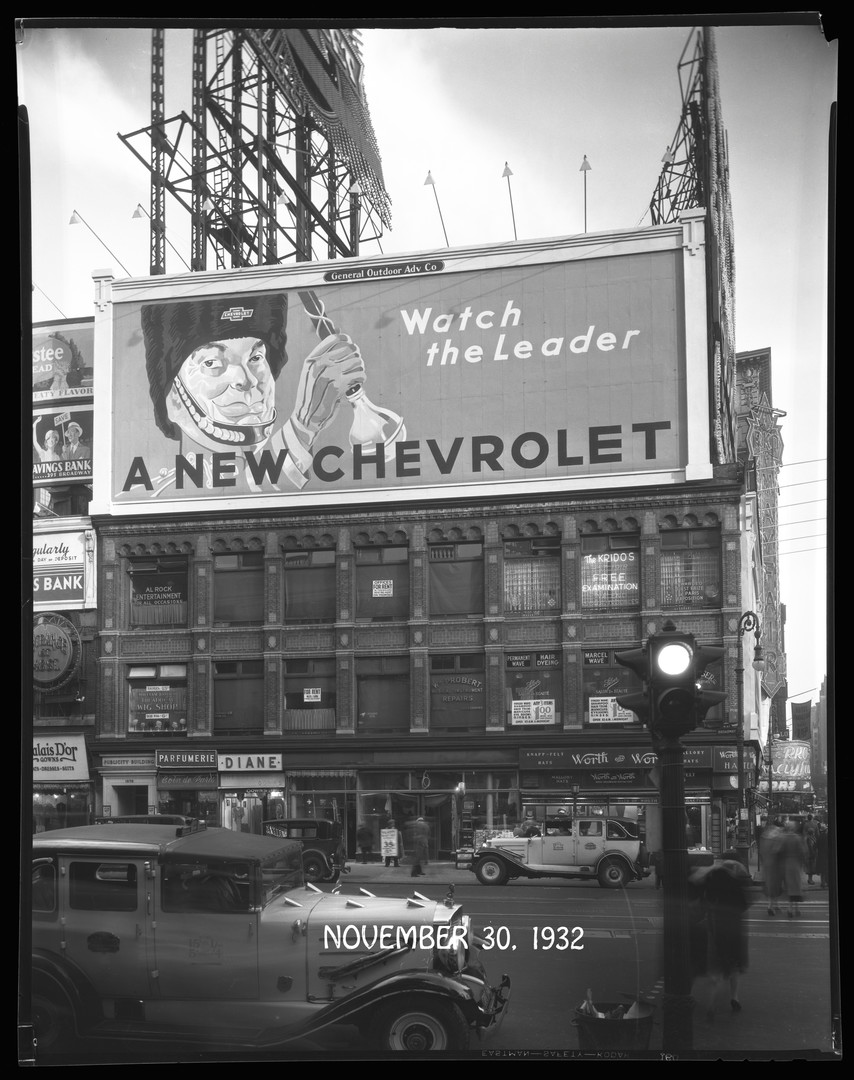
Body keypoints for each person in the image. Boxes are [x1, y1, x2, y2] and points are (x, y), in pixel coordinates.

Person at [135, 292, 402, 498]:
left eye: (256, 358)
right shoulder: (153, 492)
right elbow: (244, 498)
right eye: (212, 363)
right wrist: (303, 425)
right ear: (173, 399)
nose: (246, 380)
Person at [691, 849, 751, 1021]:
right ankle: (734, 997)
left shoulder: (713, 876)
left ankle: (711, 1003)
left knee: (715, 963)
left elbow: (699, 891)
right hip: (734, 925)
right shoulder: (738, 878)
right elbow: (744, 904)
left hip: (715, 923)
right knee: (734, 963)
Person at [778, 820, 807, 917]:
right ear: (794, 828)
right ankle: (796, 909)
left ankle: (790, 909)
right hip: (796, 864)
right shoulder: (797, 838)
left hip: (787, 864)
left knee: (790, 887)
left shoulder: (783, 838)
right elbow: (803, 851)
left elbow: (779, 851)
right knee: (796, 886)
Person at [759, 816, 783, 916]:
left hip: (766, 864)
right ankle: (770, 906)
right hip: (775, 866)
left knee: (769, 885)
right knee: (774, 886)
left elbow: (761, 852)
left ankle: (775, 904)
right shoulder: (777, 838)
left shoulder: (764, 837)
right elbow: (777, 851)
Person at [802, 813, 820, 884]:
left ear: (807, 818)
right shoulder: (815, 825)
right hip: (813, 847)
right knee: (812, 862)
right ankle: (810, 879)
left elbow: (803, 834)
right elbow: (818, 834)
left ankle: (809, 878)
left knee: (808, 863)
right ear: (812, 818)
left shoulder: (805, 825)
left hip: (807, 847)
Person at [815, 820, 829, 889]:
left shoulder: (819, 837)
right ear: (825, 830)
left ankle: (822, 883)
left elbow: (816, 846)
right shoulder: (826, 837)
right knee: (826, 870)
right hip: (826, 855)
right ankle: (826, 882)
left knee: (822, 870)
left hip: (820, 855)